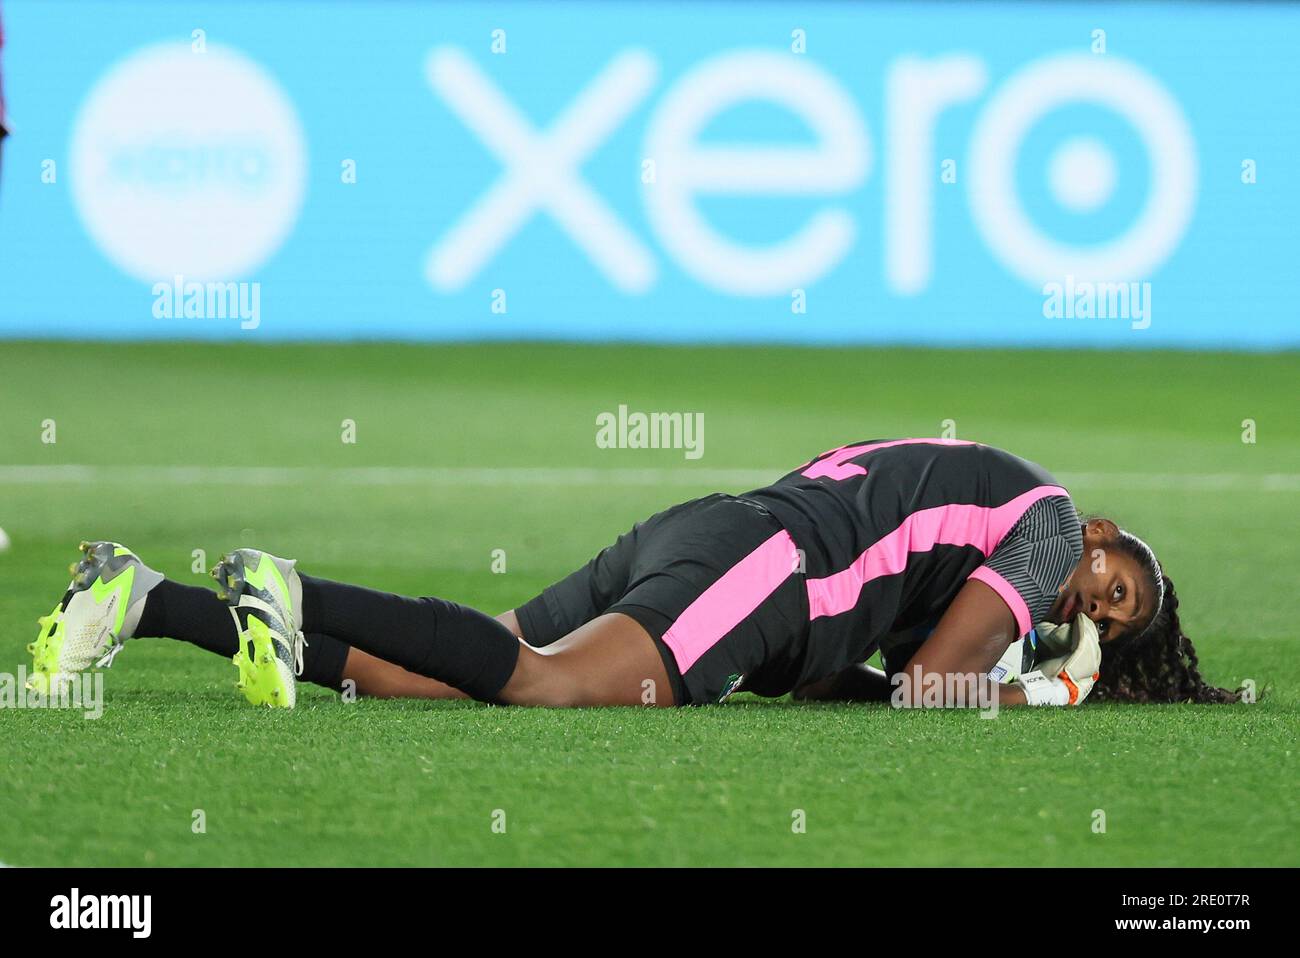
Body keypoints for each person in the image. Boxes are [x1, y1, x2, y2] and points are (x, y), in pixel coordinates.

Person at [27, 439, 1241, 709]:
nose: (1095, 607)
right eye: (1114, 589)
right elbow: (929, 688)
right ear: (1102, 540)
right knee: (548, 686)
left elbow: (862, 682)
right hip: (759, 568)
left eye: (1112, 620)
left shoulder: (989, 512)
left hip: (714, 538)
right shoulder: (1048, 531)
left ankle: (143, 597)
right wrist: (1050, 689)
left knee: (446, 673)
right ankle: (284, 587)